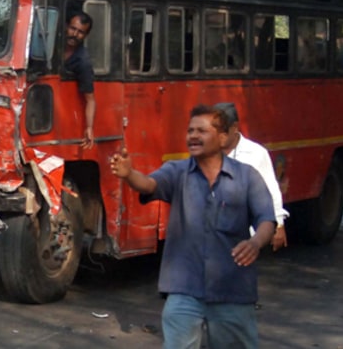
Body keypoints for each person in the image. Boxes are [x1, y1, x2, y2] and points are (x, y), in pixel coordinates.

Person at [109, 104, 275, 349]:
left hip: (232, 289)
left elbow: (267, 219)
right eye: (190, 131)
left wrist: (255, 243)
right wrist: (129, 174)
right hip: (185, 288)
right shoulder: (177, 172)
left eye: (202, 131)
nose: (193, 136)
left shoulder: (247, 177)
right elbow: (149, 184)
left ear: (223, 138)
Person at [216, 102, 289, 251]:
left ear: (235, 127)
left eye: (222, 131)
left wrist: (279, 224)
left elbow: (271, 189)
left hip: (245, 238)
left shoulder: (256, 153)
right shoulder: (207, 153)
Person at [62, 11, 95, 148]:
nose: (74, 34)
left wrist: (89, 127)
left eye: (80, 32)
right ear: (66, 26)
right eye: (72, 28)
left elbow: (90, 99)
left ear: (86, 35)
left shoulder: (83, 62)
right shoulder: (53, 44)